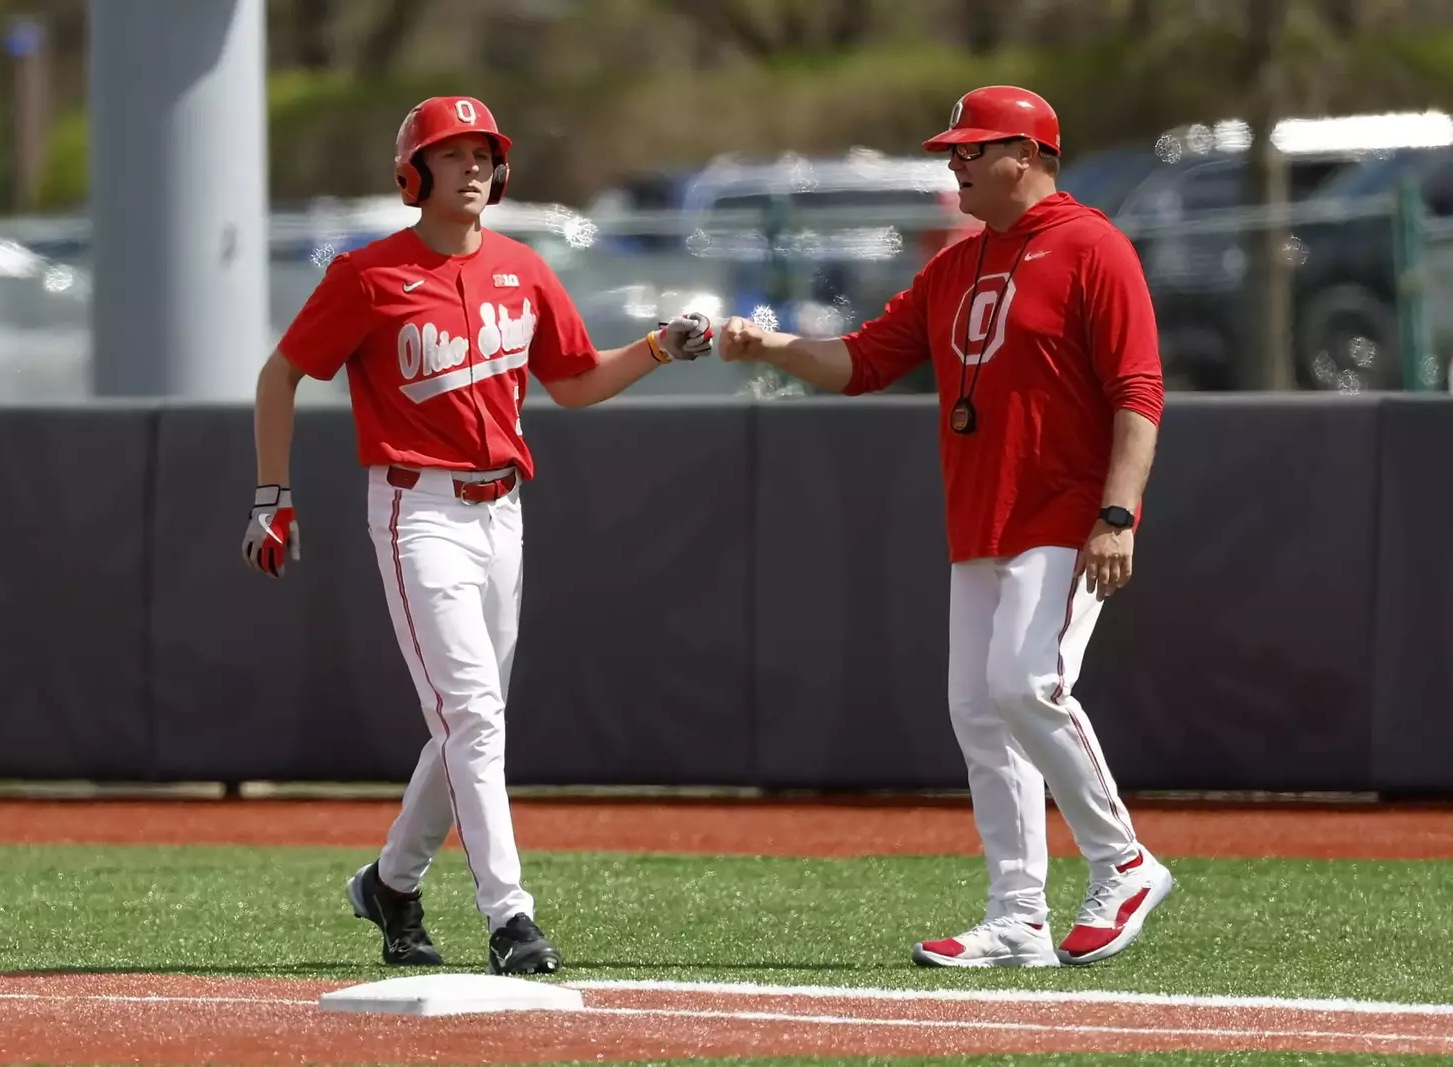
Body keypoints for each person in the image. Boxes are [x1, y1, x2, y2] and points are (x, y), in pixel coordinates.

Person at [242, 95, 714, 976]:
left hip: (502, 512)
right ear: (411, 174)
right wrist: (272, 491)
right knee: (473, 713)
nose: (472, 168)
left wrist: (655, 346)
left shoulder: (522, 269)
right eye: (451, 153)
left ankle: (392, 881)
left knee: (468, 722)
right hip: (414, 507)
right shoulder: (368, 275)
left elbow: (571, 382)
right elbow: (281, 375)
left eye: (484, 153)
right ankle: (511, 917)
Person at [718, 85, 1171, 968]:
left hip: (1066, 512)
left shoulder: (1094, 247)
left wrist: (1118, 514)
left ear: (1030, 154)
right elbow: (862, 361)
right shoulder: (958, 264)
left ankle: (1124, 861)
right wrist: (771, 346)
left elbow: (1138, 392)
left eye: (972, 149)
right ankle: (1017, 916)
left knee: (1021, 684)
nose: (954, 163)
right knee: (978, 710)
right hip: (982, 514)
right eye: (952, 150)